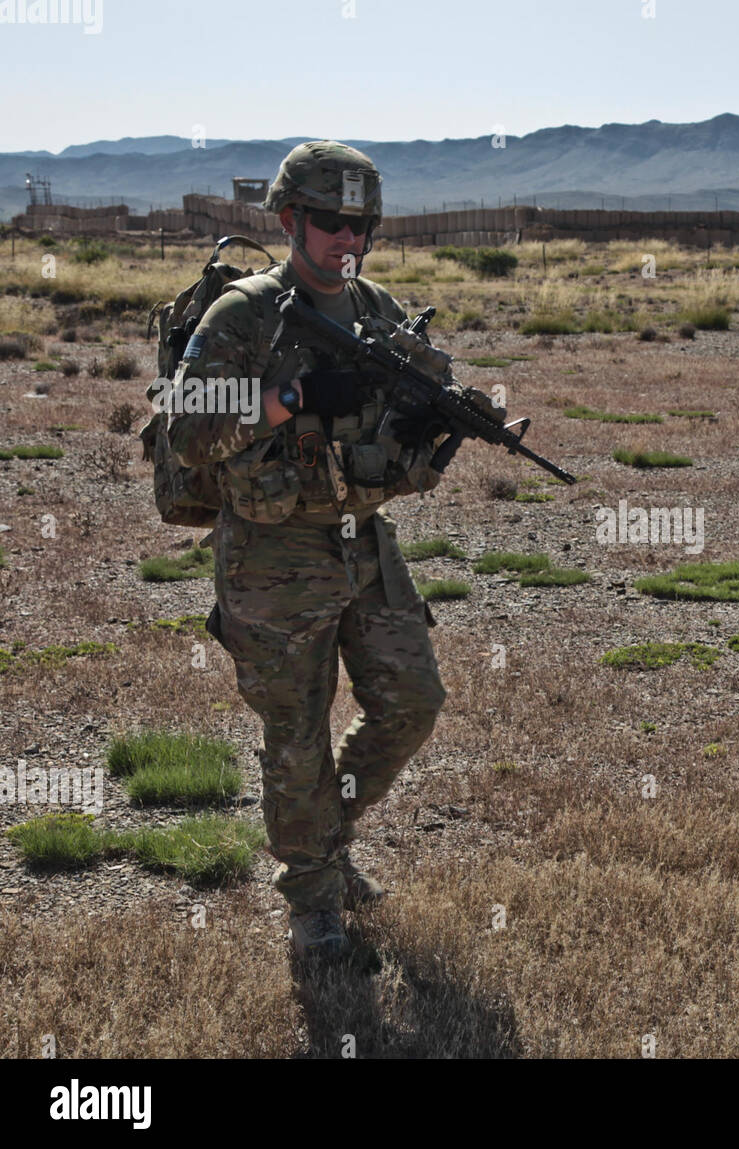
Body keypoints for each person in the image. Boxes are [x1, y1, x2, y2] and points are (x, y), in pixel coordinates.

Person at [167, 141, 494, 960]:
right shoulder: (242, 314)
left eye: (362, 224)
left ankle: (322, 839)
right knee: (297, 730)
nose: (348, 238)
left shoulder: (376, 307)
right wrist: (296, 397)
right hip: (272, 554)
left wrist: (442, 420)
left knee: (411, 701)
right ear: (289, 220)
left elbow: (401, 414)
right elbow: (189, 429)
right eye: (331, 222)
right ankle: (314, 903)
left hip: (361, 539)